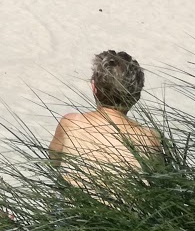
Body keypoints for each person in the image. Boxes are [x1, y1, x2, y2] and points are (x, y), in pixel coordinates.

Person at [49, 50, 162, 186]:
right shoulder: (150, 138)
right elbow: (159, 180)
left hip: (75, 205)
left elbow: (53, 161)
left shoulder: (70, 123)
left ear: (94, 88)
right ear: (137, 96)